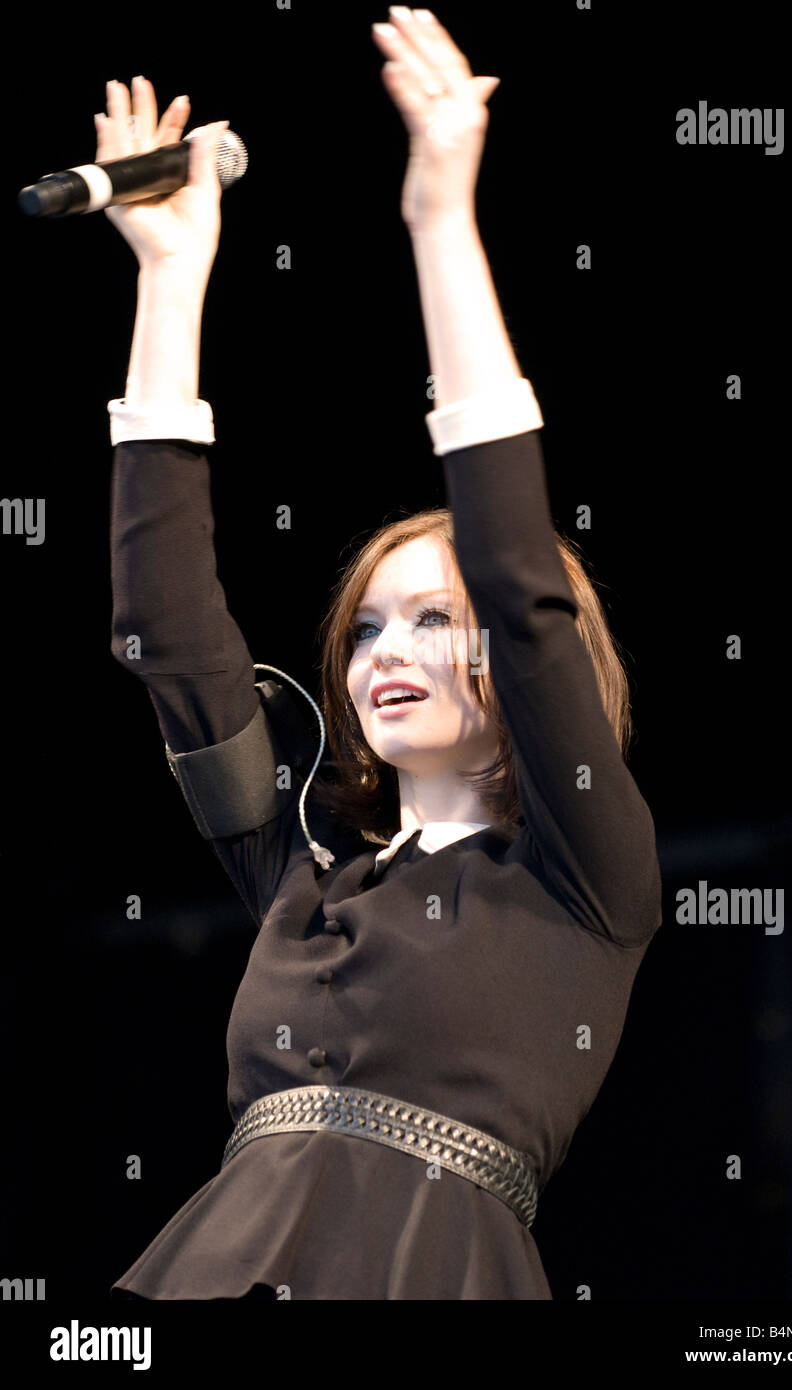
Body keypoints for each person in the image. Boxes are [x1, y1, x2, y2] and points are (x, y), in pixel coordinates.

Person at [106, 8, 662, 1302]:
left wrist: (438, 219)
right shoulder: (297, 877)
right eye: (362, 626)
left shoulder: (588, 876)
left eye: (428, 616)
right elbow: (166, 635)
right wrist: (170, 279)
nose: (380, 651)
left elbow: (520, 582)